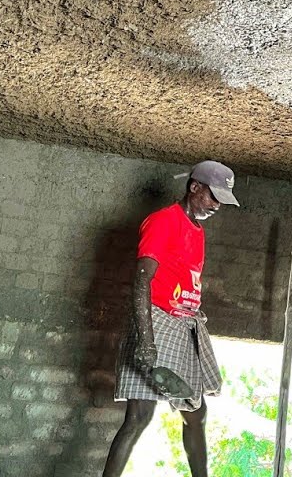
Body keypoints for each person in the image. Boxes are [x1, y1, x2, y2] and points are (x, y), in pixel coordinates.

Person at [102, 161, 240, 477]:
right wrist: (146, 341)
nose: (217, 205)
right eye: (213, 196)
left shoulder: (198, 231)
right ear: (194, 187)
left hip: (185, 324)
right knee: (138, 417)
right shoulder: (163, 221)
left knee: (196, 412)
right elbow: (142, 280)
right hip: (156, 319)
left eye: (222, 199)